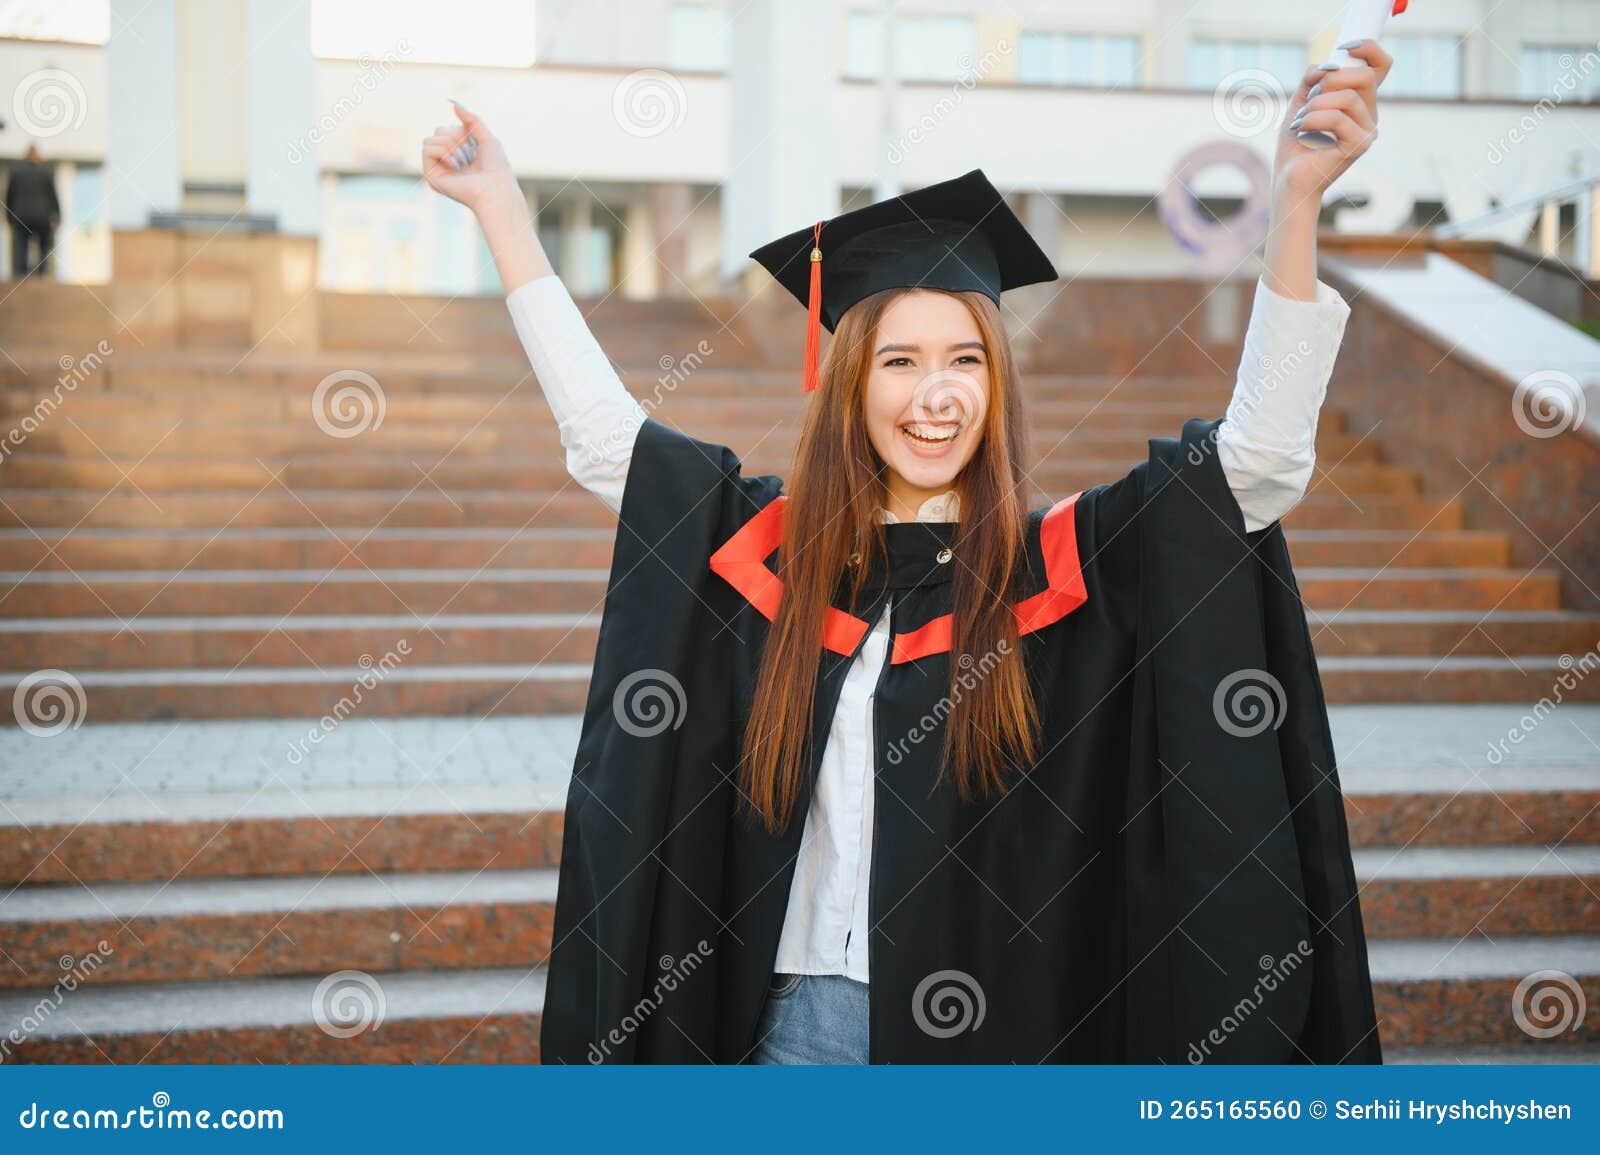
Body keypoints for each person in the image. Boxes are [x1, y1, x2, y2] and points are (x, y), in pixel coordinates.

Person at [422, 41, 1392, 1064]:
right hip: (785, 1030)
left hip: (996, 1047)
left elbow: (1260, 465)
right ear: (849, 385)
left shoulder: (1063, 562)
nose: (937, 394)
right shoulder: (769, 552)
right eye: (900, 360)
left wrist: (1294, 207)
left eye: (965, 359)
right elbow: (605, 440)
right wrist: (503, 215)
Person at [6, 144, 61, 279]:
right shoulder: (46, 171)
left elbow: (9, 196)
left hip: (21, 216)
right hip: (42, 216)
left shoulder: (15, 172)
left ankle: (21, 276)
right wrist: (58, 215)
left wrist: (8, 216)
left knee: (21, 247)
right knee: (43, 246)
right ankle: (41, 275)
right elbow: (53, 195)